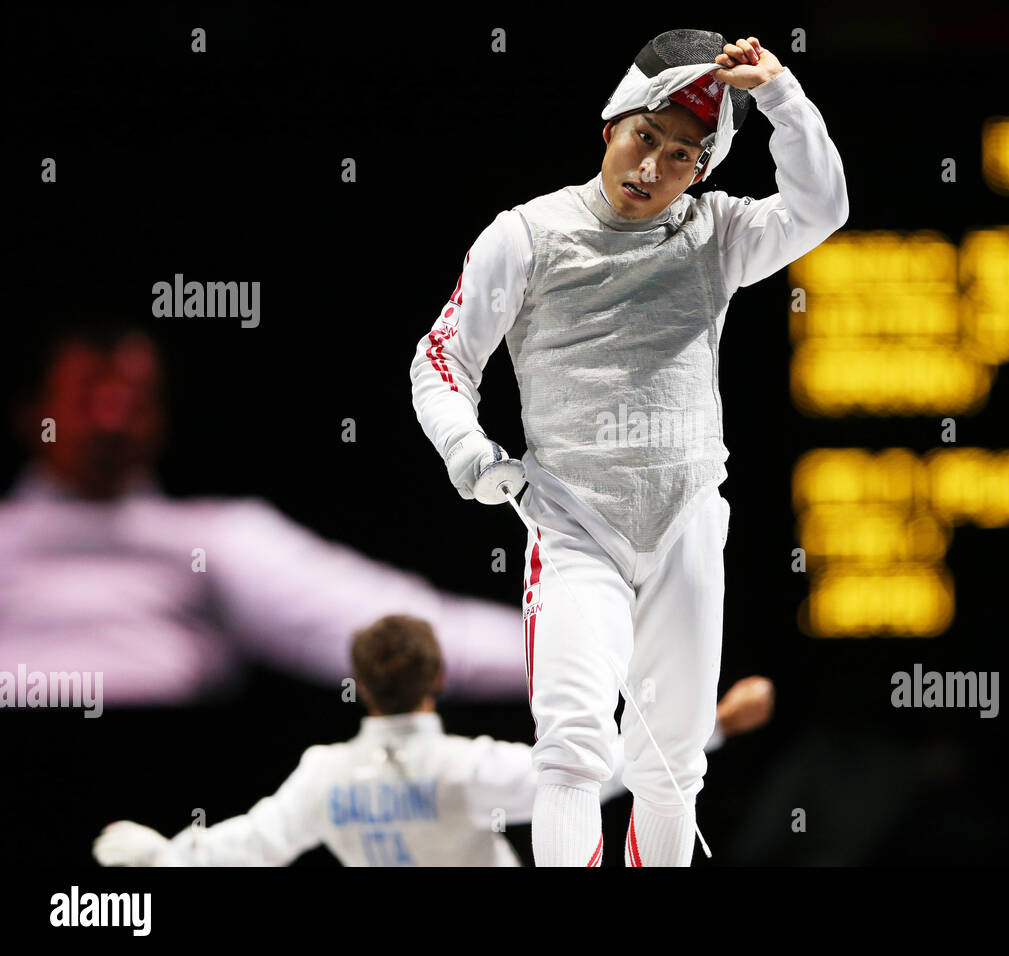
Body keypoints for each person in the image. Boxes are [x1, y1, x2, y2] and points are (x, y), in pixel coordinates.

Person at [410, 30, 847, 865]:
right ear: (610, 126)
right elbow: (440, 360)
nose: (653, 168)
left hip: (685, 522)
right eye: (645, 138)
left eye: (682, 155)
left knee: (674, 765)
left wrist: (782, 96)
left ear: (703, 169)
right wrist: (471, 454)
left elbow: (823, 208)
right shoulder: (530, 234)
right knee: (572, 750)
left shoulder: (716, 235)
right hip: (576, 528)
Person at [0, 325, 525, 705]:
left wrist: (576, 655)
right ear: (33, 415)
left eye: (133, 401)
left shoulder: (215, 538)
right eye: (89, 395)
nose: (111, 422)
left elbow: (396, 629)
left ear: (159, 419)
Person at [92, 614, 775, 866]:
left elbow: (247, 845)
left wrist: (160, 855)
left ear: (359, 686)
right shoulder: (464, 767)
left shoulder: (325, 775)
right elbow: (597, 775)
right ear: (439, 677)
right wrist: (712, 723)